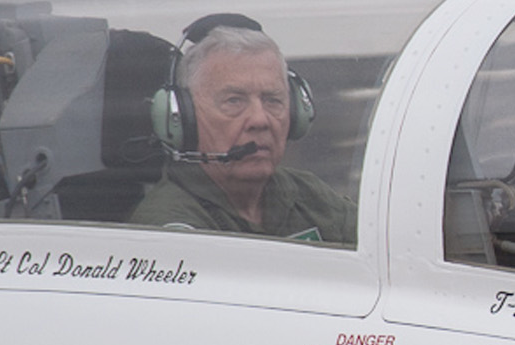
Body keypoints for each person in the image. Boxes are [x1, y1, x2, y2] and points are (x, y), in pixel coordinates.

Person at [129, 19, 355, 243]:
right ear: (183, 118)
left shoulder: (308, 194)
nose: (259, 120)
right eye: (234, 101)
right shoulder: (170, 228)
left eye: (272, 100)